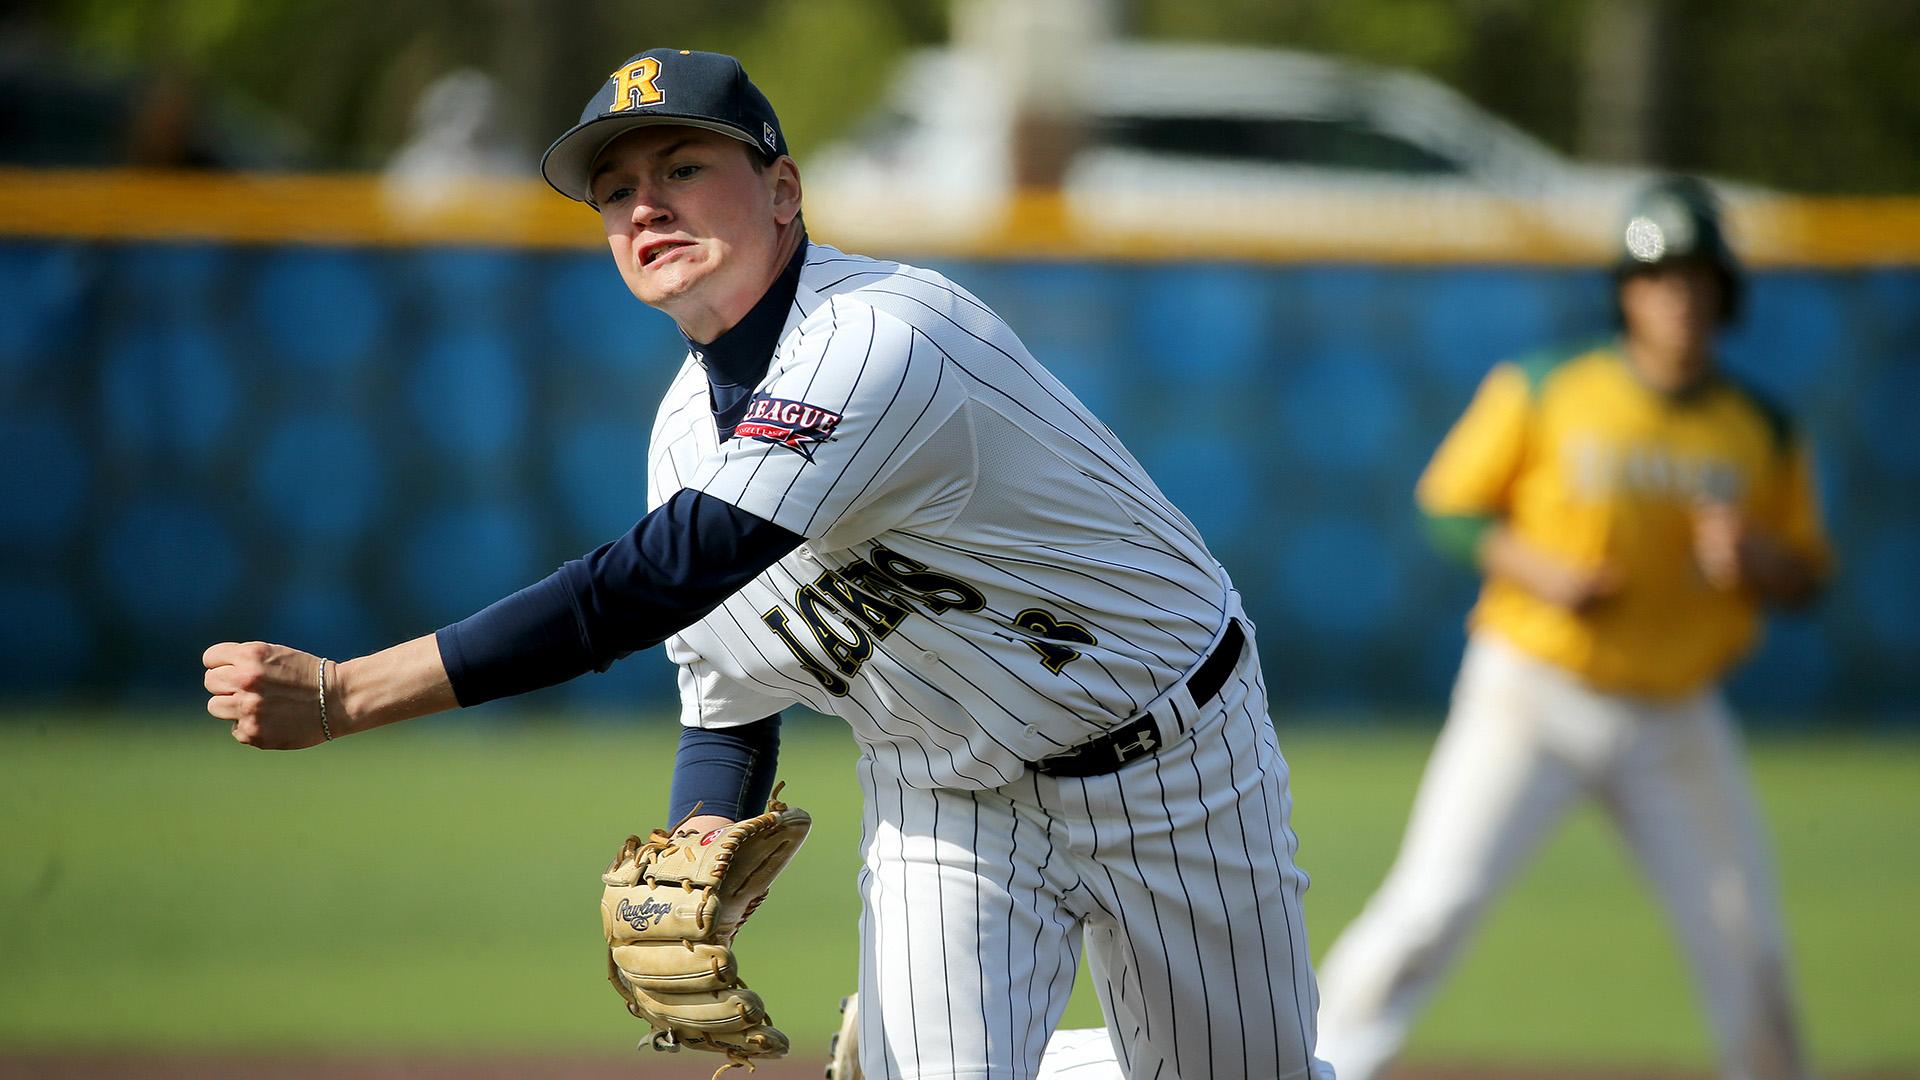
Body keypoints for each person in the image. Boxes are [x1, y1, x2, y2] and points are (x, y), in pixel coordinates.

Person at [204, 48, 1332, 1080]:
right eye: (615, 191)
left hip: (1172, 760)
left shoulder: (882, 334)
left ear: (783, 191)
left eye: (684, 168)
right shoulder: (680, 443)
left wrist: (348, 692)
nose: (646, 206)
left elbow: (657, 580)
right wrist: (703, 831)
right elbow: (727, 707)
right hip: (946, 800)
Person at [1311, 177, 1831, 1080]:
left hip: (1675, 713)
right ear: (1626, 291)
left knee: (1747, 941)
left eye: (1695, 277)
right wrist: (1536, 568)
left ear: (1723, 294)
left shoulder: (1760, 429)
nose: (1676, 295)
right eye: (1657, 276)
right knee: (1429, 910)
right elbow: (1450, 508)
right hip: (1533, 692)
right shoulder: (1549, 386)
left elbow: (1808, 579)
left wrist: (1760, 560)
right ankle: (1305, 1064)